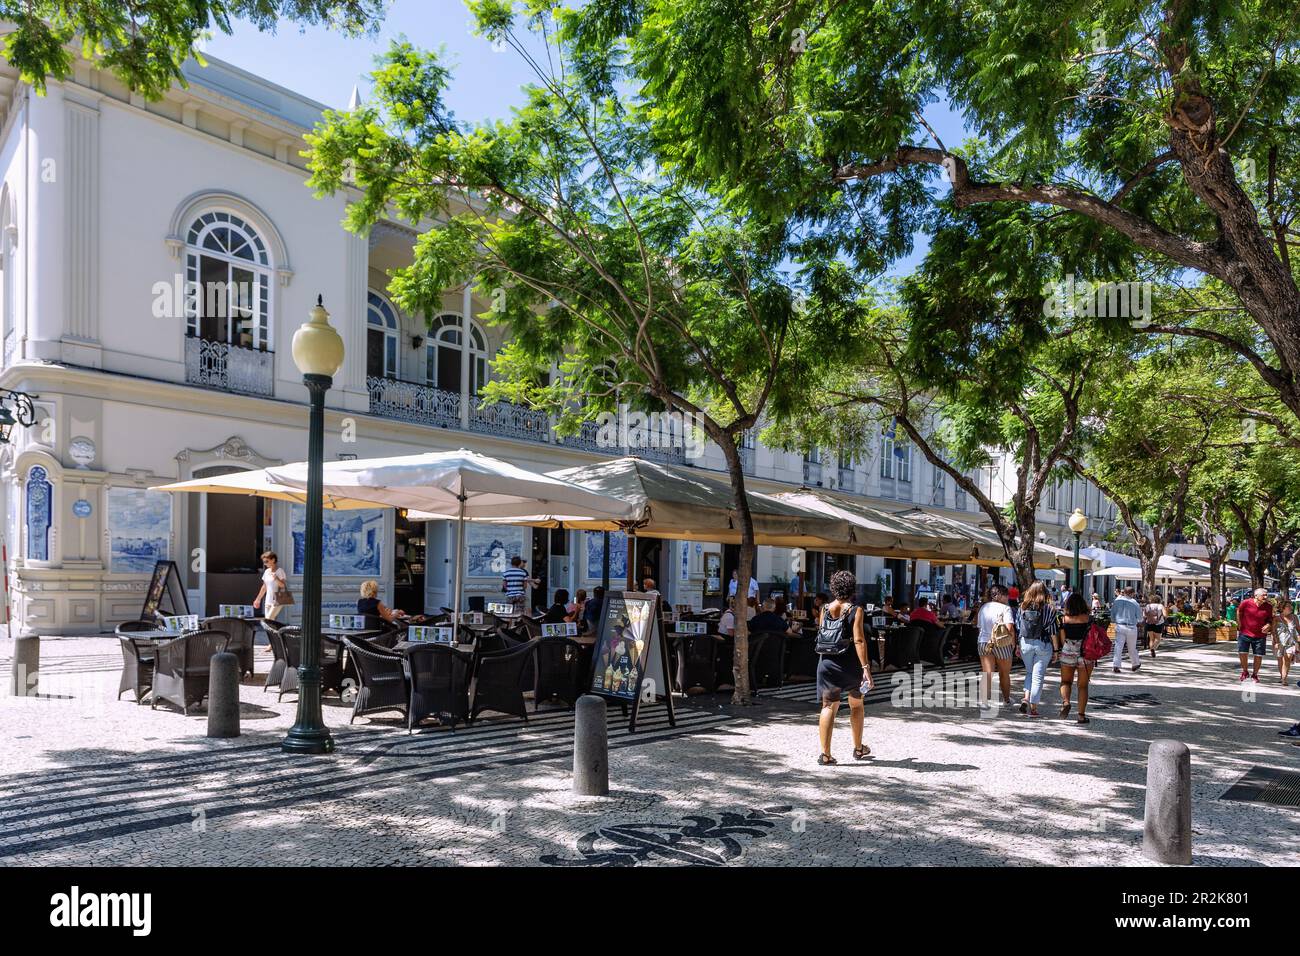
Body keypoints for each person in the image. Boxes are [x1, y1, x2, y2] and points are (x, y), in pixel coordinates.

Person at [815, 570, 873, 765]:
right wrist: (865, 667)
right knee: (856, 705)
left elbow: (823, 633)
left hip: (827, 662)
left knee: (828, 706)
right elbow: (858, 639)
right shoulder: (855, 610)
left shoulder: (823, 609)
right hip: (850, 664)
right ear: (851, 589)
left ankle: (825, 754)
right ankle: (858, 748)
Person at [1016, 582, 1058, 718]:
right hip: (1043, 644)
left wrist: (1017, 645)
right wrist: (1056, 651)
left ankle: (1026, 698)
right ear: (1045, 593)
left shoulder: (1022, 607)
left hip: (1025, 644)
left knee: (1029, 672)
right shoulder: (1049, 609)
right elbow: (1053, 631)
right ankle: (1033, 708)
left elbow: (1018, 628)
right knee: (1038, 676)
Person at [1058, 591, 1096, 724]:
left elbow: (1062, 639)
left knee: (1065, 682)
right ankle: (1081, 716)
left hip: (1068, 650)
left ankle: (1066, 701)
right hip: (1085, 654)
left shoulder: (1064, 619)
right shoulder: (1089, 619)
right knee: (1083, 686)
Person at [977, 583, 1017, 707]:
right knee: (1004, 673)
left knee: (987, 672)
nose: (1007, 598)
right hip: (1002, 643)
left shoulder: (983, 607)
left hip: (984, 641)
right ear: (1000, 596)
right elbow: (1009, 627)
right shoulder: (1005, 608)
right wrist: (1013, 642)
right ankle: (1006, 700)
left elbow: (979, 626)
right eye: (1006, 595)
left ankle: (984, 701)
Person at [1237, 588, 1273, 684]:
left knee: (1258, 655)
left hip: (1260, 635)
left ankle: (1255, 674)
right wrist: (1239, 623)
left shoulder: (1268, 606)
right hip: (1245, 632)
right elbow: (1239, 612)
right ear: (1256, 595)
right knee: (1242, 653)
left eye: (1266, 595)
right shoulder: (1246, 603)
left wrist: (1268, 625)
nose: (1266, 597)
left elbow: (1270, 619)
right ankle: (1245, 671)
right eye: (1263, 595)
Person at [1109, 586, 1143, 673]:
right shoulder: (1134, 603)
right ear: (1132, 593)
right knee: (1131, 647)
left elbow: (1112, 614)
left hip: (1120, 626)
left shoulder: (1117, 601)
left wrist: (1114, 620)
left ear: (1124, 592)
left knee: (1118, 646)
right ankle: (1135, 663)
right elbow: (1140, 617)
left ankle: (1116, 665)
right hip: (1131, 627)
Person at [253, 551, 288, 621]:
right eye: (264, 562)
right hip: (268, 600)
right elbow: (264, 587)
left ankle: (277, 631)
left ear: (273, 560)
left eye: (266, 561)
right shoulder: (267, 572)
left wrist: (276, 579)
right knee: (269, 623)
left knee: (268, 620)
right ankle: (276, 632)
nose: (265, 564)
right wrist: (258, 599)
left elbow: (283, 586)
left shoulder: (280, 571)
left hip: (278, 600)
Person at [1271, 598, 1297, 686]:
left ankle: (1284, 679)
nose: (1290, 608)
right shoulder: (1276, 618)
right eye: (1288, 606)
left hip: (1291, 642)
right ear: (1282, 608)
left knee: (1287, 659)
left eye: (1291, 606)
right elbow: (1273, 631)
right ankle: (1282, 676)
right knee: (1280, 660)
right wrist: (1276, 642)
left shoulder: (1294, 617)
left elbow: (1298, 629)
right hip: (1279, 642)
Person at [1143, 594, 1167, 659]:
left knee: (1151, 639)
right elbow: (1165, 615)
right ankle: (1153, 649)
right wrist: (1162, 617)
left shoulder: (1148, 606)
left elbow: (1144, 615)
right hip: (1158, 623)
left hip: (1149, 623)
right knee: (1158, 639)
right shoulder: (1161, 606)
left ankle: (1151, 650)